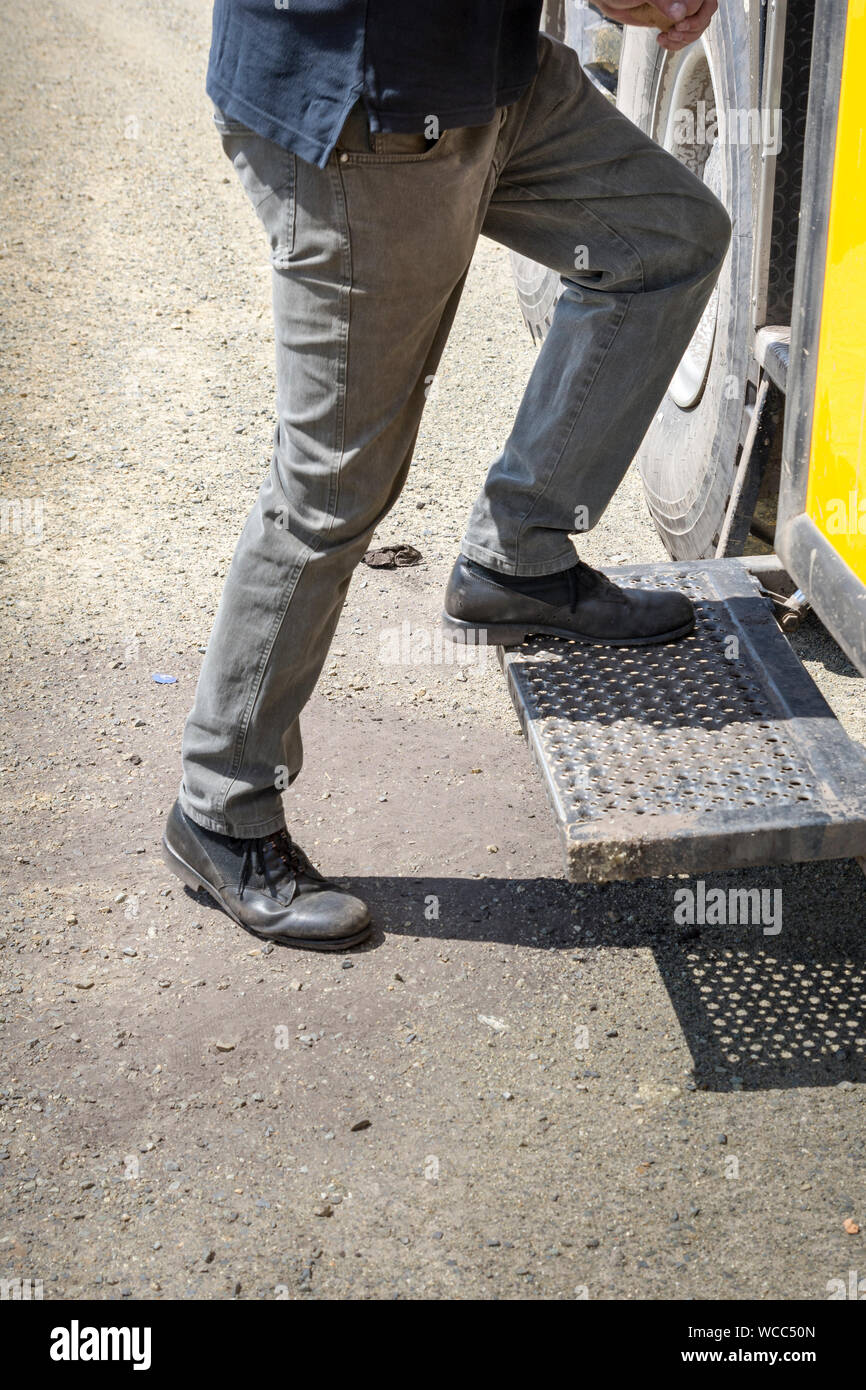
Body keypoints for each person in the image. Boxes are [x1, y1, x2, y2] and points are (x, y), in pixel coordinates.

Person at [162, 0, 729, 950]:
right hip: (367, 113)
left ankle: (517, 561)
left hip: (495, 76)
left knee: (664, 240)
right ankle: (220, 806)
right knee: (333, 489)